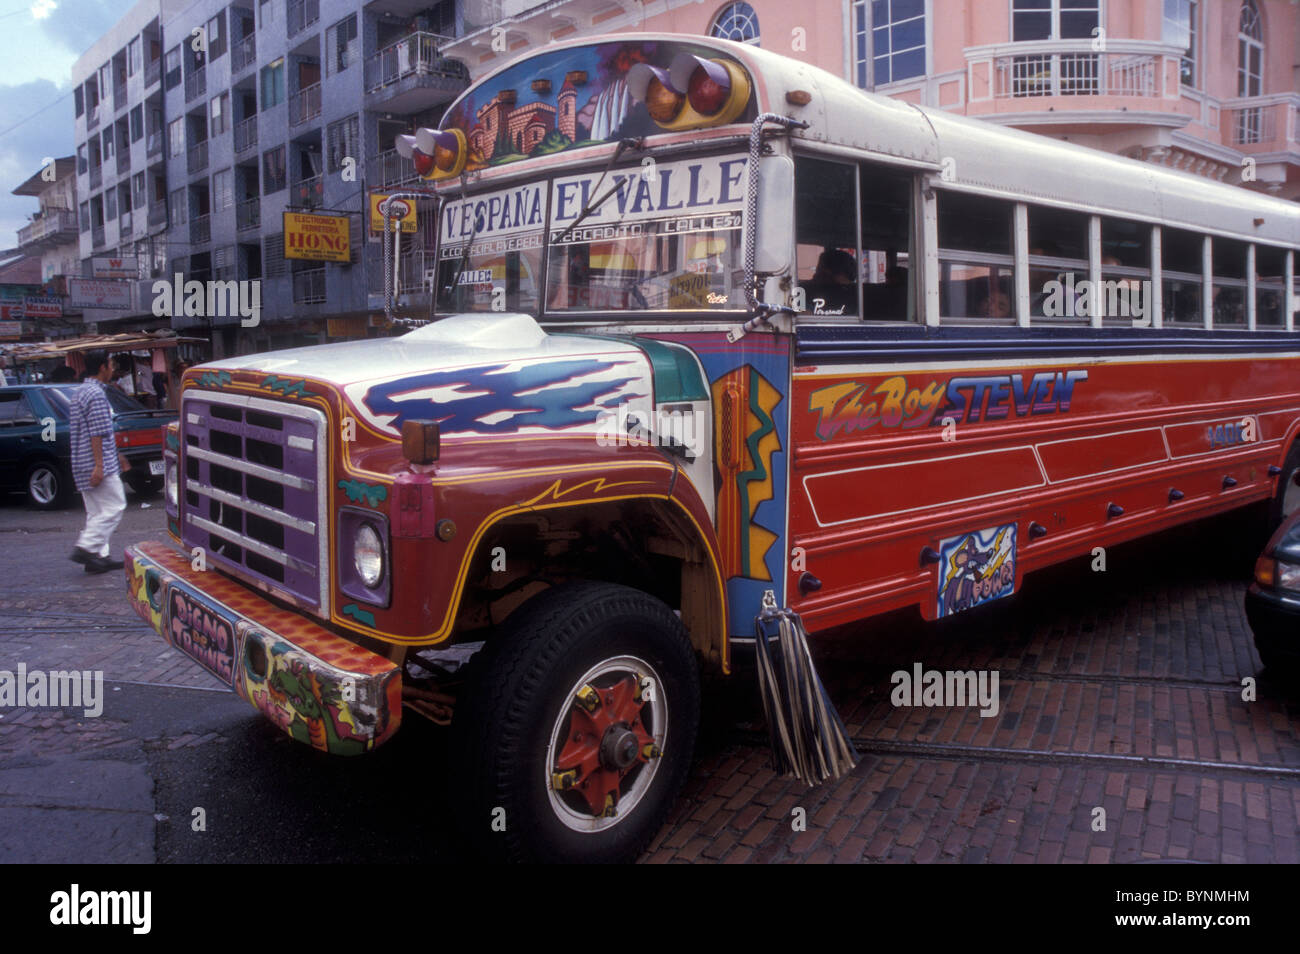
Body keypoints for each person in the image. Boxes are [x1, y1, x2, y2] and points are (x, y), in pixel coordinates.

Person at [68, 352, 126, 574]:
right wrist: (100, 465)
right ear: (103, 367)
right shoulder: (96, 394)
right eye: (111, 365)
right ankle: (87, 547)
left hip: (81, 461)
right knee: (114, 505)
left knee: (96, 511)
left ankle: (97, 557)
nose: (112, 368)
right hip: (96, 462)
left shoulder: (81, 391)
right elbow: (98, 433)